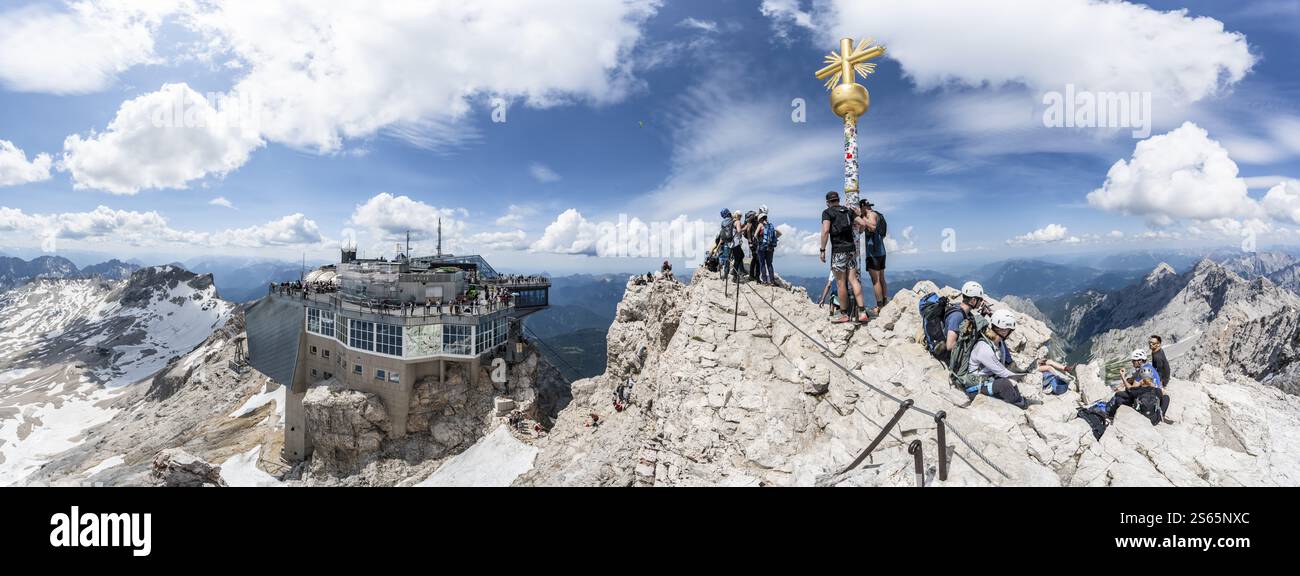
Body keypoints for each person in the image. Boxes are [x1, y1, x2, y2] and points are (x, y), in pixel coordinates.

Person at [962, 309, 1030, 408]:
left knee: (1011, 384)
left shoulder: (998, 342)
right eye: (1009, 330)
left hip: (986, 379)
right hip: (973, 387)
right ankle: (1020, 405)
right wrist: (1025, 374)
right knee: (1005, 384)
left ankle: (1019, 400)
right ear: (1004, 330)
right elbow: (1003, 372)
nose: (1010, 333)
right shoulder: (984, 347)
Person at [819, 190, 870, 323]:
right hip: (851, 249)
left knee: (841, 283)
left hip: (838, 251)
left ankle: (843, 314)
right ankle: (862, 312)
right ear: (838, 200)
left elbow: (825, 231)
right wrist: (859, 228)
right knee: (853, 280)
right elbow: (864, 224)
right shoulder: (848, 211)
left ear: (828, 202)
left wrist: (822, 249)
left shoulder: (827, 212)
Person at [1107, 348, 1169, 424]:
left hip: (1142, 395)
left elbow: (1131, 388)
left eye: (1133, 360)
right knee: (1166, 397)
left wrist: (1122, 377)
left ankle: (1110, 416)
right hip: (1155, 394)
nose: (1132, 362)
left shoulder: (1142, 372)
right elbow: (1134, 378)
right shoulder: (1149, 368)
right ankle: (1160, 416)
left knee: (1118, 395)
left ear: (1140, 361)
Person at [943, 281, 987, 362]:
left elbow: (968, 325)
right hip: (953, 358)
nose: (981, 302)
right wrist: (970, 348)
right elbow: (949, 345)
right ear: (973, 300)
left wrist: (982, 315)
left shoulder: (962, 310)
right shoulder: (957, 316)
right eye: (980, 299)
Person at [859, 199, 888, 316]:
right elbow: (861, 230)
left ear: (862, 207)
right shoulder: (877, 214)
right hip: (881, 251)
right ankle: (885, 302)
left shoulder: (871, 215)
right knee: (881, 278)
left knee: (875, 280)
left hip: (874, 253)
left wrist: (862, 218)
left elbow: (872, 227)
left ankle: (879, 306)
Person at [755, 213, 780, 285]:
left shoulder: (760, 225)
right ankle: (772, 281)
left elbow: (755, 235)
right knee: (769, 264)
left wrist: (760, 241)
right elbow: (779, 233)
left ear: (760, 219)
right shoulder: (771, 225)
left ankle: (765, 281)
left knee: (762, 264)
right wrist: (774, 238)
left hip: (762, 247)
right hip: (770, 247)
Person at [728, 211, 746, 282]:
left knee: (740, 256)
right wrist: (745, 228)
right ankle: (734, 275)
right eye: (740, 215)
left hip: (732, 244)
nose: (740, 217)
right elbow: (739, 231)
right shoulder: (737, 222)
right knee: (739, 257)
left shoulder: (732, 222)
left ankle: (734, 272)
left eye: (741, 216)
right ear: (737, 215)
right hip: (736, 243)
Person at [716, 209, 734, 280]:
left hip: (725, 242)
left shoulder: (723, 222)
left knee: (726, 258)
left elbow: (722, 234)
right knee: (729, 258)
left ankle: (725, 274)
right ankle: (727, 272)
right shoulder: (733, 220)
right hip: (733, 241)